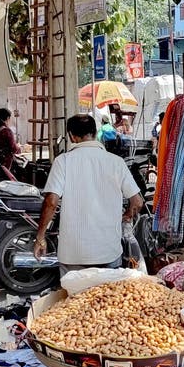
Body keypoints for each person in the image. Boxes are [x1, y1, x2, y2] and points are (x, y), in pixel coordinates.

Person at [33, 114, 143, 276]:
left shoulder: (63, 161)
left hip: (73, 254)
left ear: (71, 136)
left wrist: (40, 237)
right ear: (95, 132)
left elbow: (51, 202)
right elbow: (137, 202)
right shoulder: (116, 162)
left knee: (75, 299)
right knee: (107, 300)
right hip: (108, 251)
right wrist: (126, 216)